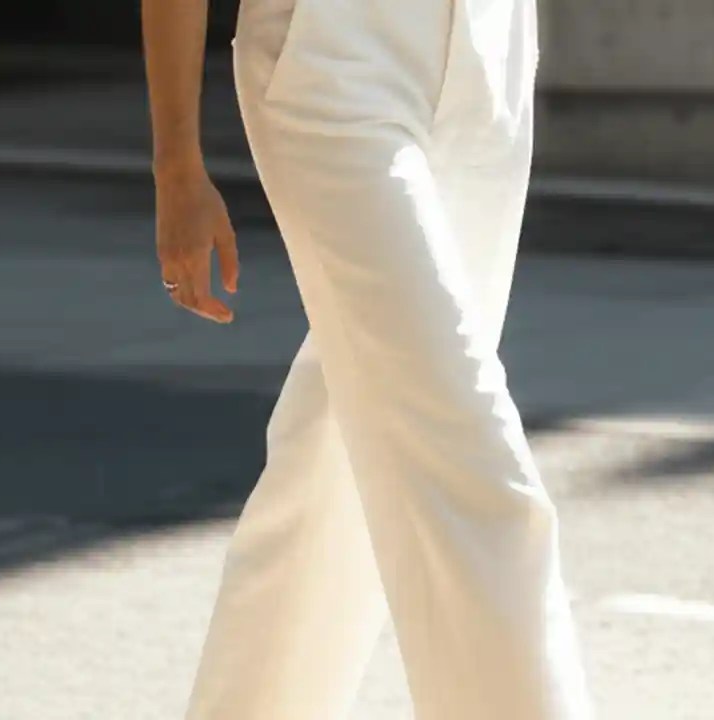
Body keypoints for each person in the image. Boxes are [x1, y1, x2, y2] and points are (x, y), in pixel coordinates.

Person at [142, 1, 593, 718]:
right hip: (336, 57)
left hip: (490, 54)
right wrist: (177, 168)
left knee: (334, 473)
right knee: (472, 466)